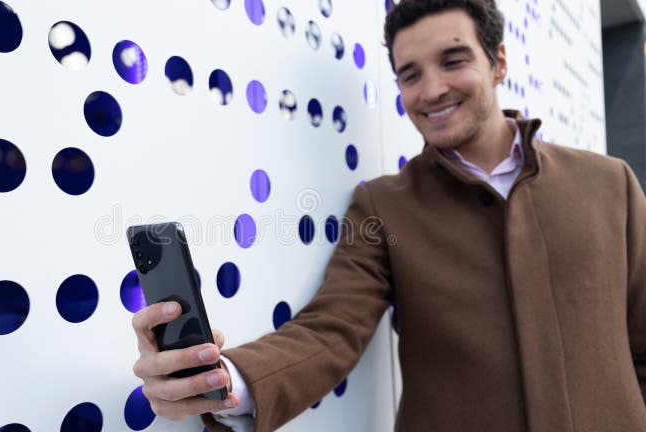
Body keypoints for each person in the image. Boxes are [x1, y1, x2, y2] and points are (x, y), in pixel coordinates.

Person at [131, 1, 646, 431]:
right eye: (410, 74)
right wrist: (222, 381)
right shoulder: (384, 205)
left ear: (499, 62)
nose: (431, 90)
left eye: (453, 60)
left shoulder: (609, 184)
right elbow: (331, 331)